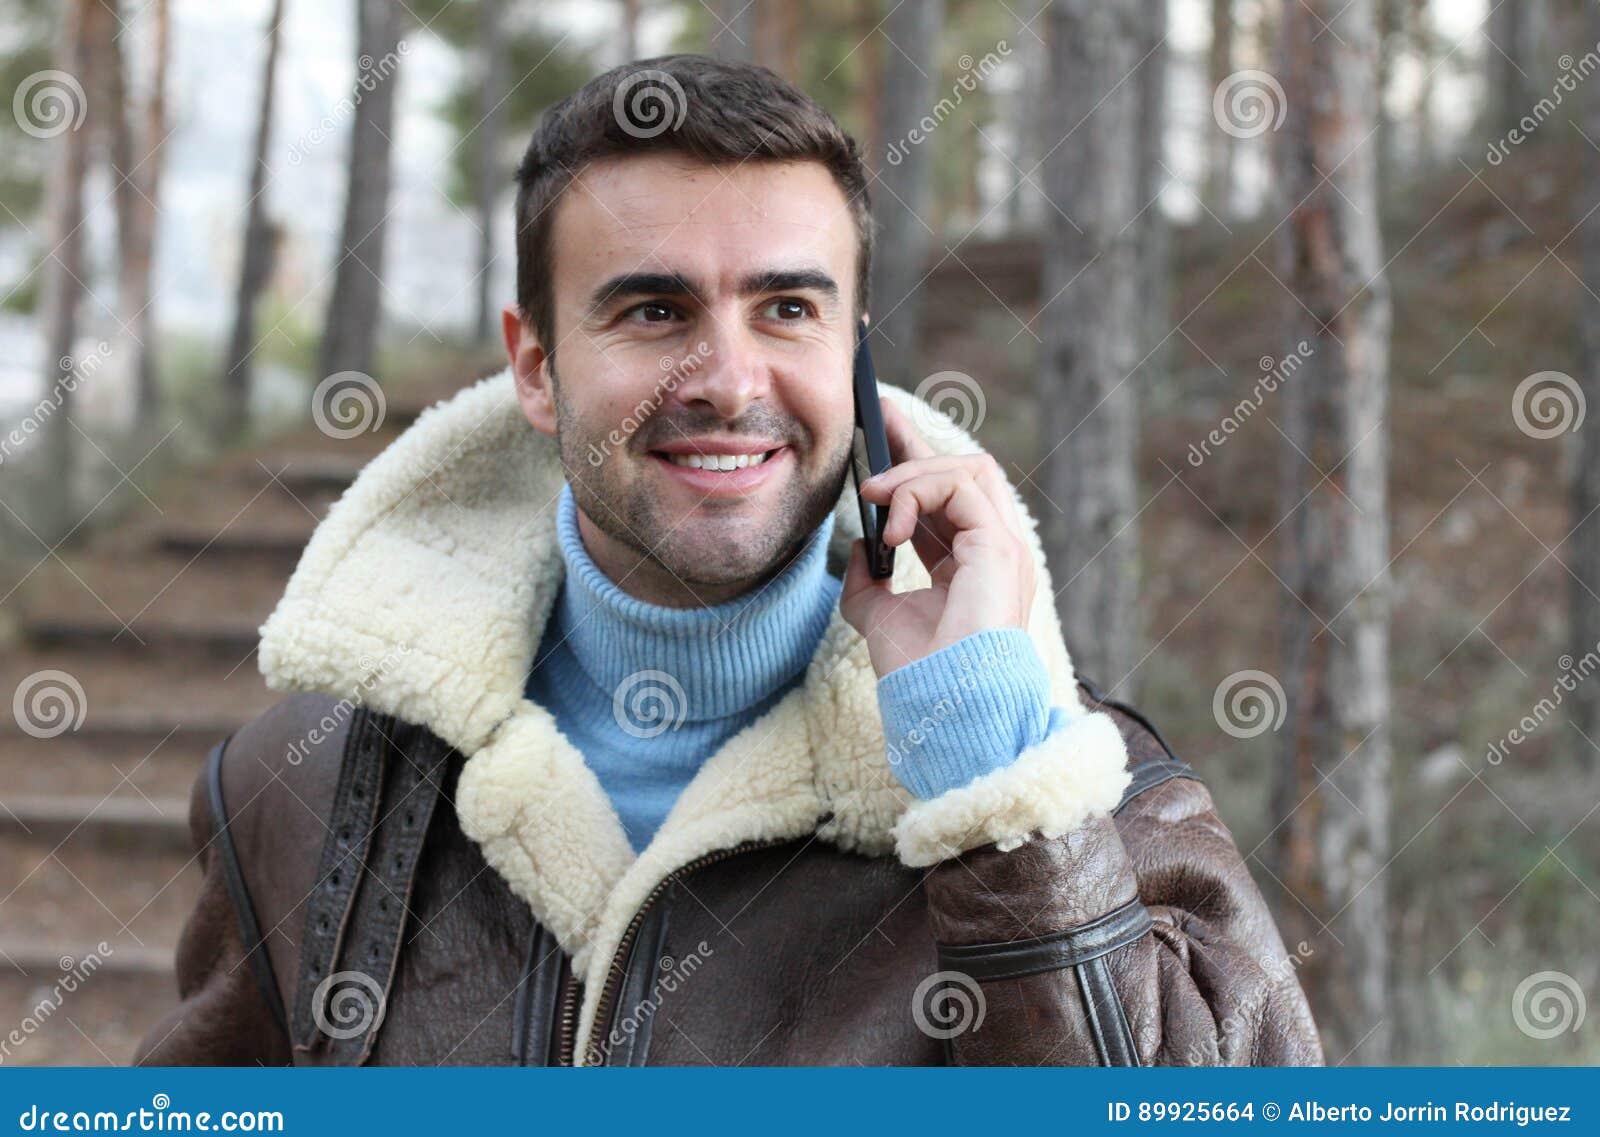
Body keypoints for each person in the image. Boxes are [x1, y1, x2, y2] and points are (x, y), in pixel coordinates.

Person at [135, 54, 1320, 1067]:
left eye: (786, 309)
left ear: (854, 352)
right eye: (652, 310)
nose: (728, 378)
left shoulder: (1089, 793)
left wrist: (992, 785)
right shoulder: (296, 790)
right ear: (537, 367)